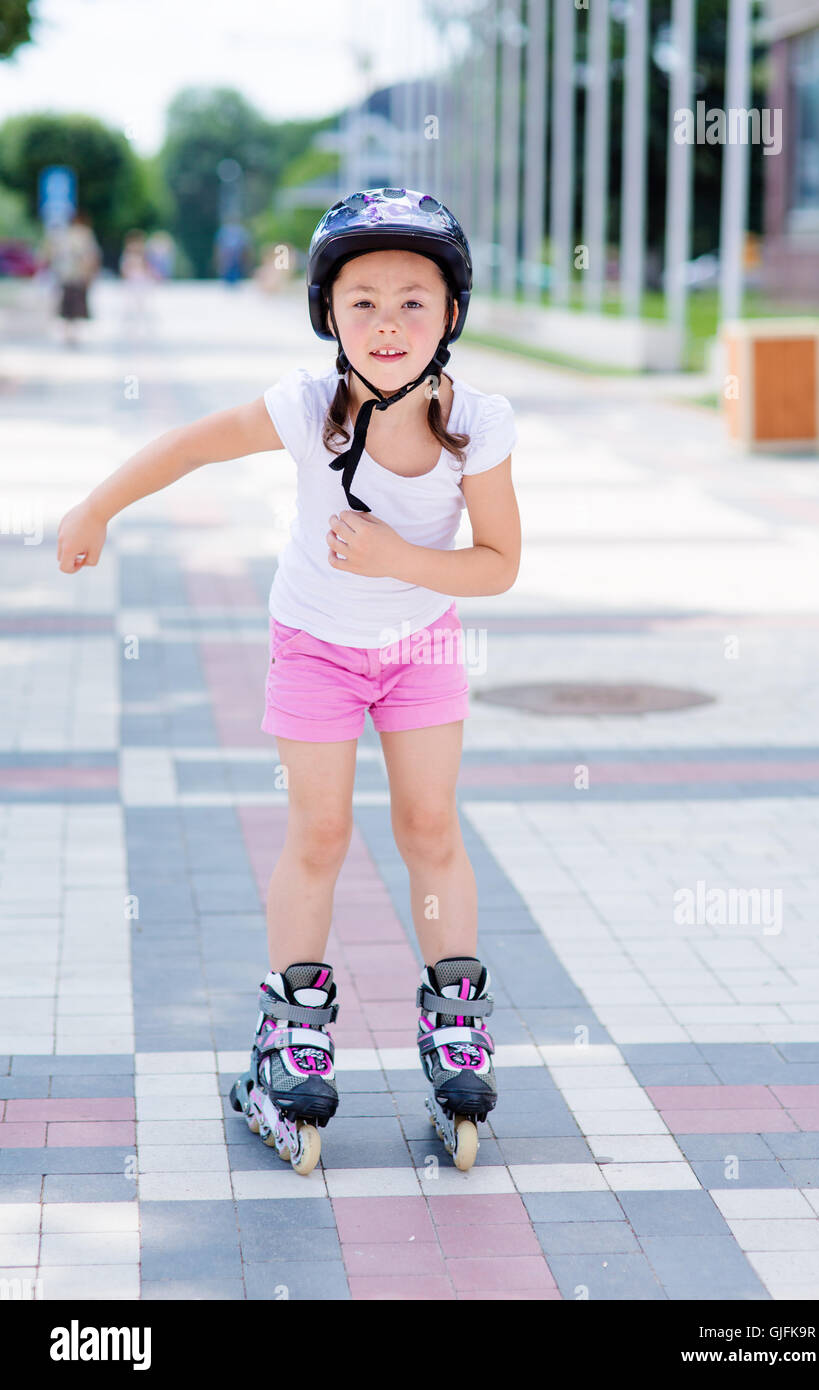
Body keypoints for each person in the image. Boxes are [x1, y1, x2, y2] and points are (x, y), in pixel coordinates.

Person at [55, 187, 520, 1175]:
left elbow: (496, 562)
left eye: (411, 300)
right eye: (362, 302)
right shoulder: (307, 406)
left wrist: (396, 555)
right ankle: (290, 1033)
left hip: (422, 644)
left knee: (430, 827)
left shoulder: (476, 422)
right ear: (326, 313)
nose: (387, 323)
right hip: (313, 642)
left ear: (450, 314)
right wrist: (95, 509)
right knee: (318, 830)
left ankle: (453, 1023)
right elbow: (188, 445)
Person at [43, 210, 102, 346]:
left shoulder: (64, 235)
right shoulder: (84, 234)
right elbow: (91, 256)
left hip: (66, 274)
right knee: (75, 304)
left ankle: (69, 332)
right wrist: (90, 274)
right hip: (77, 274)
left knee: (68, 304)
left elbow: (53, 254)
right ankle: (73, 333)